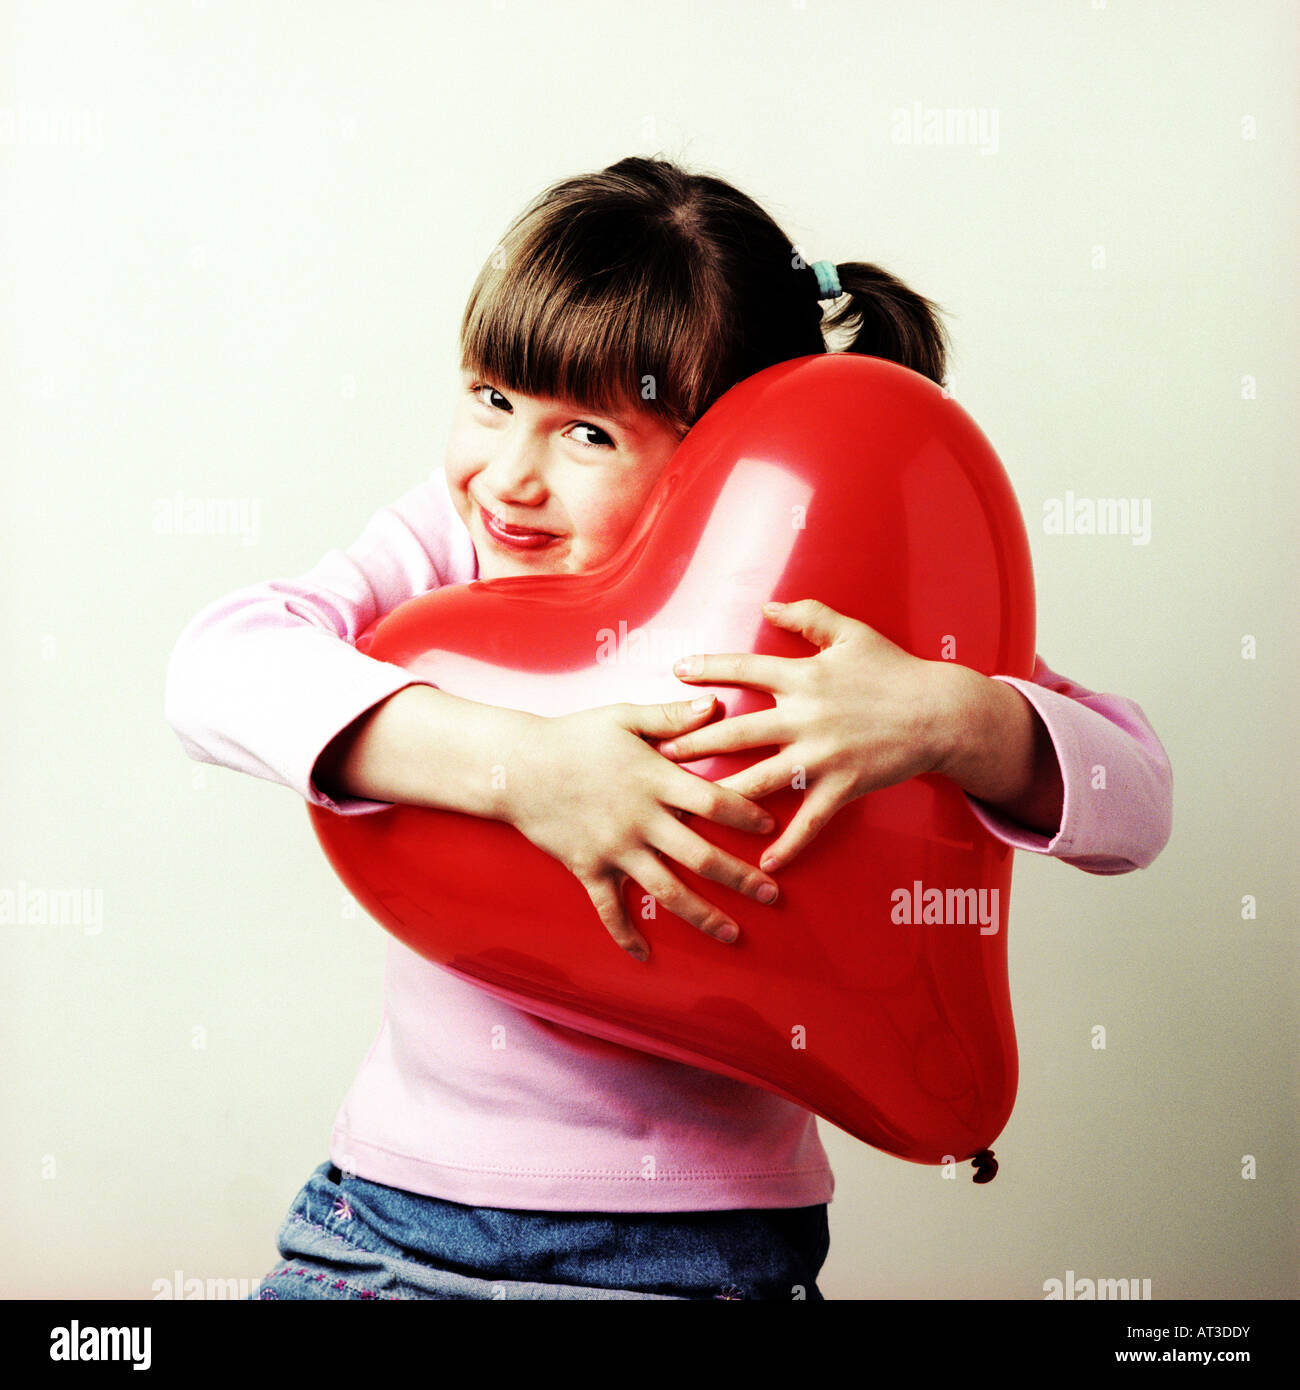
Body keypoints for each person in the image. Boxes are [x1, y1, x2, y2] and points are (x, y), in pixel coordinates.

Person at [163, 155, 1173, 1300]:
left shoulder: (827, 612)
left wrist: (961, 719)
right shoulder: (455, 549)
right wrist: (523, 768)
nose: (510, 475)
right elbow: (212, 670)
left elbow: (1138, 801)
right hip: (391, 1233)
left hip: (710, 1260)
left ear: (726, 447)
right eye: (493, 398)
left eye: (588, 433)